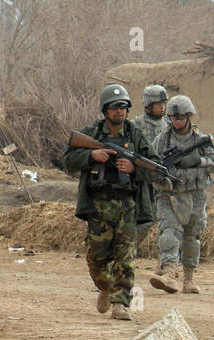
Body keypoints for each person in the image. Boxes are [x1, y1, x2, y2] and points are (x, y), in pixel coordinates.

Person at [62, 83, 160, 321]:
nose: (120, 112)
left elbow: (155, 168)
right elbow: (67, 160)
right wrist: (90, 155)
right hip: (98, 206)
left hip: (127, 205)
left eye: (124, 107)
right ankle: (106, 288)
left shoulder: (136, 135)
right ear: (105, 110)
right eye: (115, 107)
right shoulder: (92, 134)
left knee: (126, 256)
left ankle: (120, 303)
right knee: (97, 260)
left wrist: (134, 168)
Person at [149, 95, 214, 295]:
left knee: (192, 237)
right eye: (174, 118)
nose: (177, 121)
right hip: (169, 194)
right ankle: (169, 274)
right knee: (169, 232)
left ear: (189, 116)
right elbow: (152, 165)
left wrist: (198, 161)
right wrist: (161, 178)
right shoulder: (162, 140)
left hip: (195, 194)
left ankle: (189, 279)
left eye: (181, 117)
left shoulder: (200, 140)